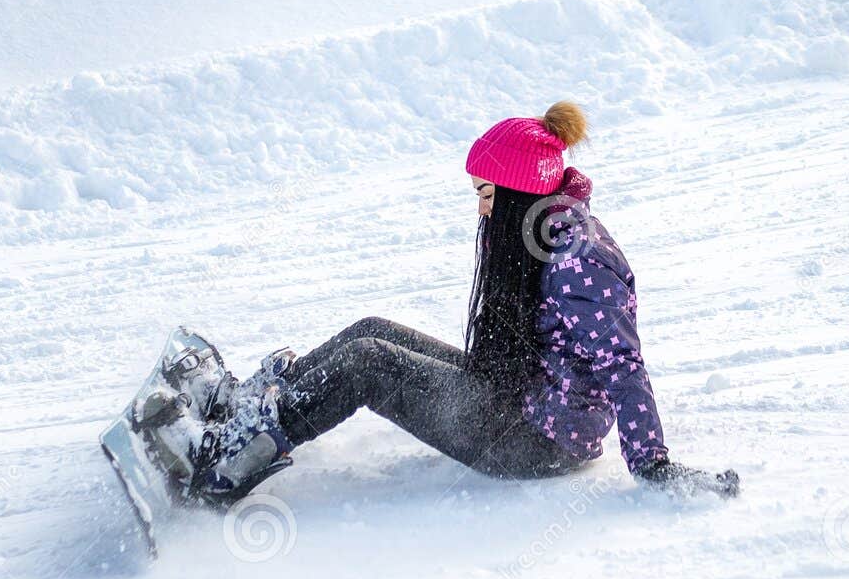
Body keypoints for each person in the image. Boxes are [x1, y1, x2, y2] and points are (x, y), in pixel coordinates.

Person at [197, 102, 739, 501]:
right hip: (519, 396)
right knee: (371, 330)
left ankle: (238, 453)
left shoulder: (578, 257)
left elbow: (623, 364)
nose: (481, 210)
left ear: (520, 194)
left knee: (369, 364)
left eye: (486, 195)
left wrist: (653, 463)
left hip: (537, 440)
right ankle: (249, 406)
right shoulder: (542, 234)